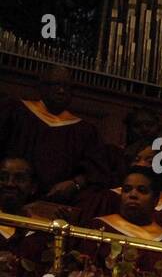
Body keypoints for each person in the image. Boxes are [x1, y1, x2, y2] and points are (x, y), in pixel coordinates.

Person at [0, 64, 103, 204]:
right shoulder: (15, 112)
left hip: (54, 208)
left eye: (67, 87)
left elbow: (95, 173)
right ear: (41, 87)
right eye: (56, 84)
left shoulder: (84, 131)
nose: (61, 91)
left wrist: (75, 183)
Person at [0, 156, 45, 264]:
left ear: (33, 187)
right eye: (3, 177)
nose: (10, 184)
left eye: (19, 179)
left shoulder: (41, 228)